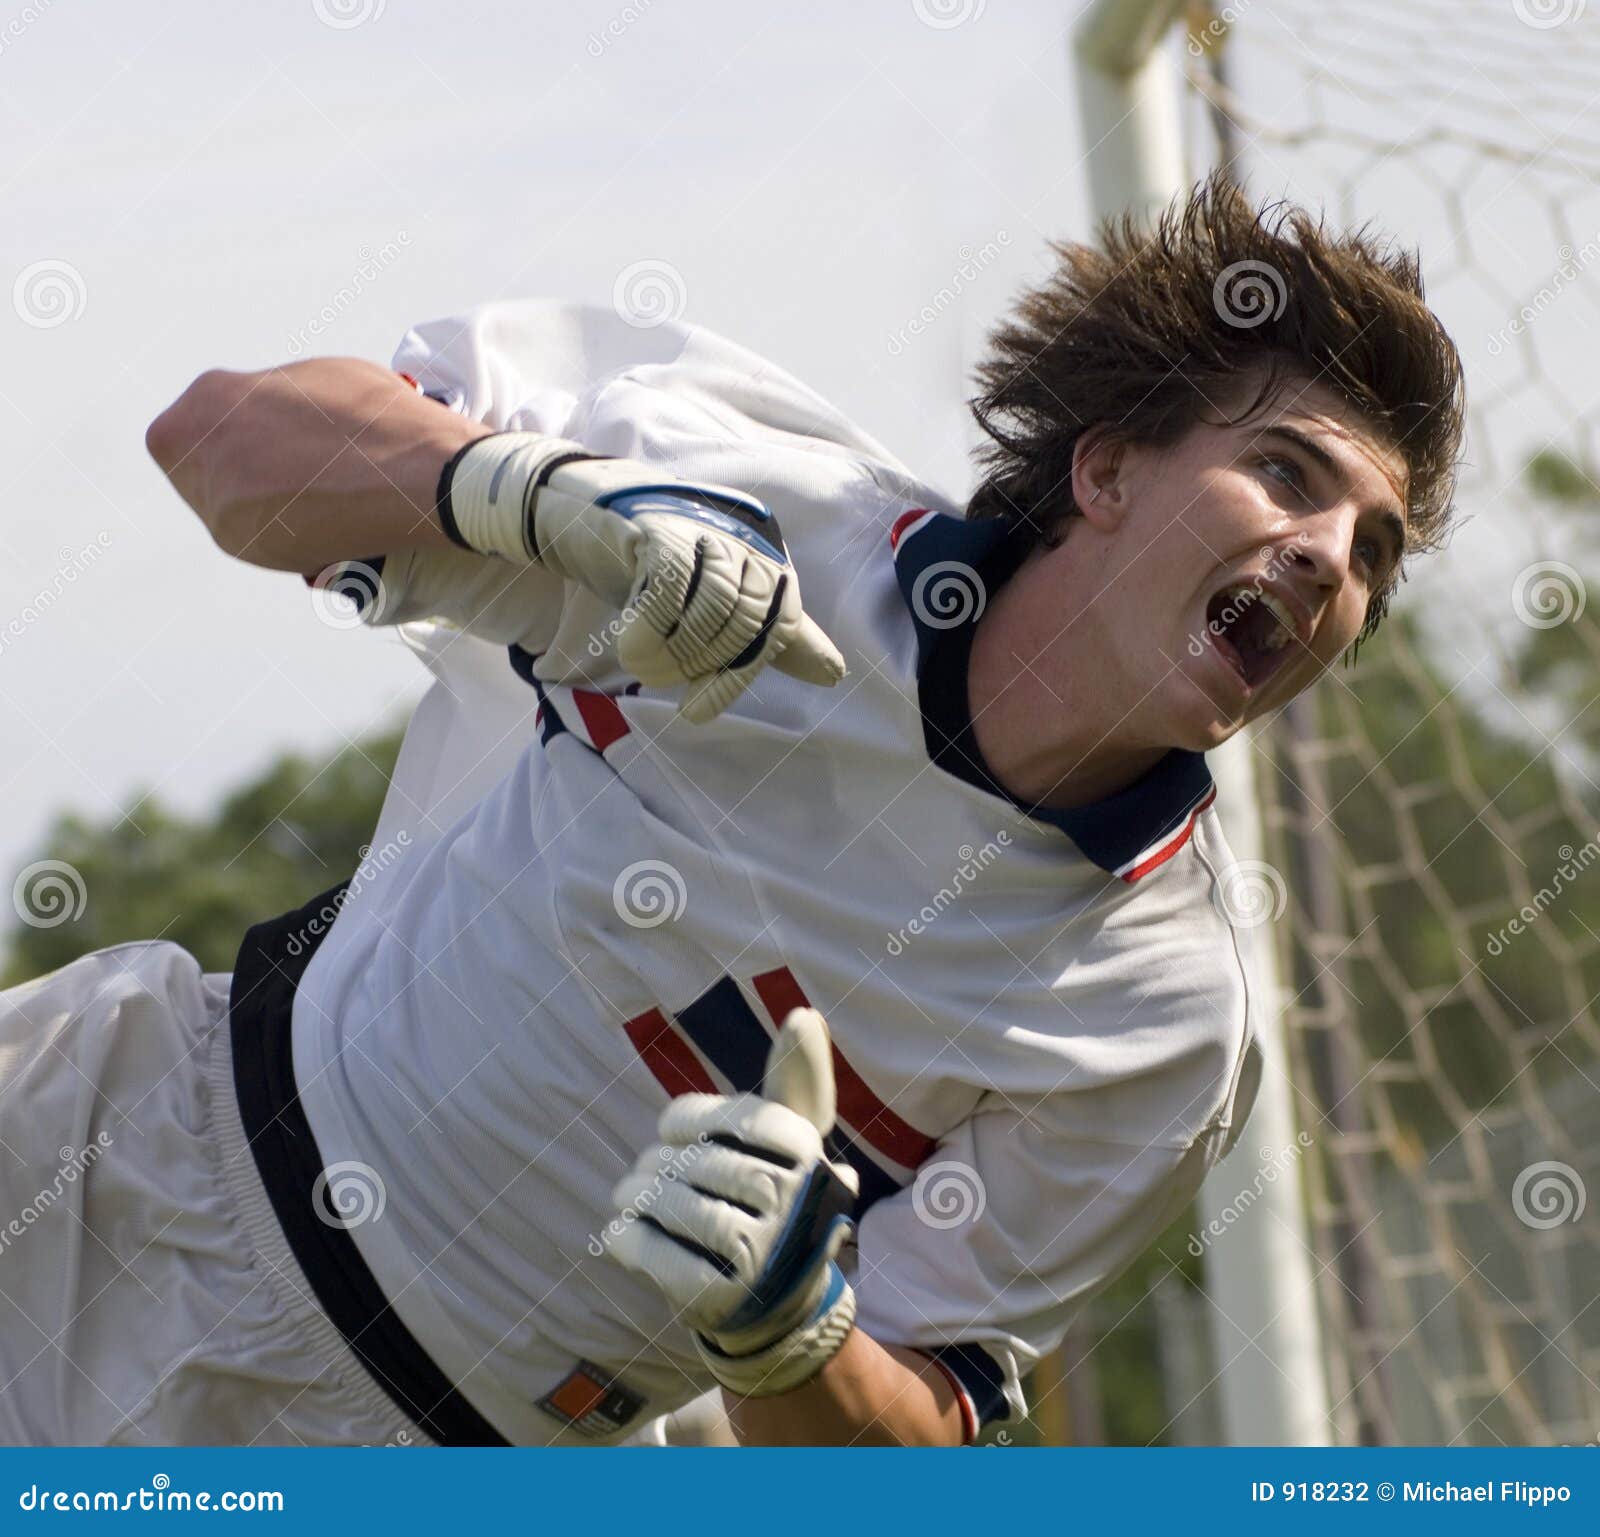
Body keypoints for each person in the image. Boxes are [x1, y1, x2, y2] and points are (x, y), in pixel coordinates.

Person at [0, 177, 1462, 1446]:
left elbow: (891, 1459)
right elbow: (217, 441)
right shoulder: (764, 501)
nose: (1330, 554)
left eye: (1374, 551)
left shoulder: (1166, 1021)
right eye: (1286, 472)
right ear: (1107, 471)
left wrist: (788, 1332)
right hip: (117, 1148)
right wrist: (520, 493)